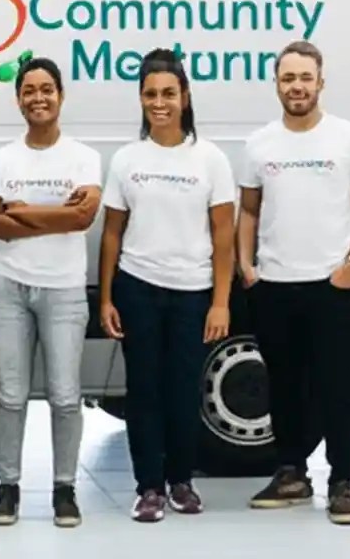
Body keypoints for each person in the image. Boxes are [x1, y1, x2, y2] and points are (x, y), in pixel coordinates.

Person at [237, 40, 350, 526]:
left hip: (331, 285)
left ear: (321, 82)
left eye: (305, 78)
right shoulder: (260, 144)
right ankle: (291, 473)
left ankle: (344, 481)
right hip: (275, 285)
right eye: (288, 78)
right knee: (283, 386)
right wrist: (247, 267)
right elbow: (250, 211)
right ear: (276, 83)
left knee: (337, 388)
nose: (296, 87)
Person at [97, 48, 235, 523]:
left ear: (185, 96)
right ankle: (148, 487)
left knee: (183, 389)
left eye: (169, 93)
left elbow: (223, 236)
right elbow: (112, 233)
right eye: (151, 94)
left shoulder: (210, 159)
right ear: (141, 99)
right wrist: (108, 296)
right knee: (144, 390)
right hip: (138, 288)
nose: (160, 103)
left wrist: (220, 302)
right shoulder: (127, 159)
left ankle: (181, 480)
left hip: (192, 292)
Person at [0, 55, 100, 528]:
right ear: (18, 98)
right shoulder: (2, 159)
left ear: (61, 96)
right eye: (29, 90)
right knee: (11, 396)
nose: (38, 97)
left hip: (64, 292)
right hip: (9, 290)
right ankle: (8, 488)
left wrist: (22, 211)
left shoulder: (83, 157)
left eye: (47, 89)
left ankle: (64, 490)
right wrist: (55, 215)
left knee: (66, 397)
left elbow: (83, 219)